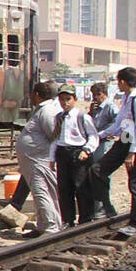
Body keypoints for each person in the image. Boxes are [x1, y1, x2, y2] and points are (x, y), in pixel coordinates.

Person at [91, 66, 136, 236]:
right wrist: (98, 136)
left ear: (123, 81)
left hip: (135, 145)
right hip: (123, 140)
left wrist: (132, 153)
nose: (118, 84)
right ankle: (108, 208)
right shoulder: (125, 99)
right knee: (97, 170)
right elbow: (118, 126)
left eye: (118, 81)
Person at [10, 81, 63, 234]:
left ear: (37, 95)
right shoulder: (43, 110)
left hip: (41, 162)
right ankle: (42, 225)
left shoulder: (47, 111)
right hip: (35, 161)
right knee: (38, 193)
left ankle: (51, 227)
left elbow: (54, 135)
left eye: (33, 94)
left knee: (43, 193)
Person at [52, 84, 99, 226]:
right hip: (62, 152)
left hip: (78, 153)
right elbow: (55, 138)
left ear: (75, 99)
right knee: (64, 188)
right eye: (62, 100)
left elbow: (93, 136)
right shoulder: (59, 117)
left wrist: (87, 150)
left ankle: (85, 218)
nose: (65, 103)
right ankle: (68, 219)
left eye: (68, 99)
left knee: (82, 187)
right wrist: (51, 157)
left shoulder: (82, 116)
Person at [88, 81, 118, 218]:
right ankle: (99, 208)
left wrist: (105, 133)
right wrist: (91, 112)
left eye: (97, 95)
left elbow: (118, 122)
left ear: (103, 94)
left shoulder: (110, 107)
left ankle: (104, 208)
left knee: (102, 175)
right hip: (96, 143)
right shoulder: (97, 108)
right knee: (94, 175)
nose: (95, 97)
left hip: (105, 144)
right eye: (93, 95)